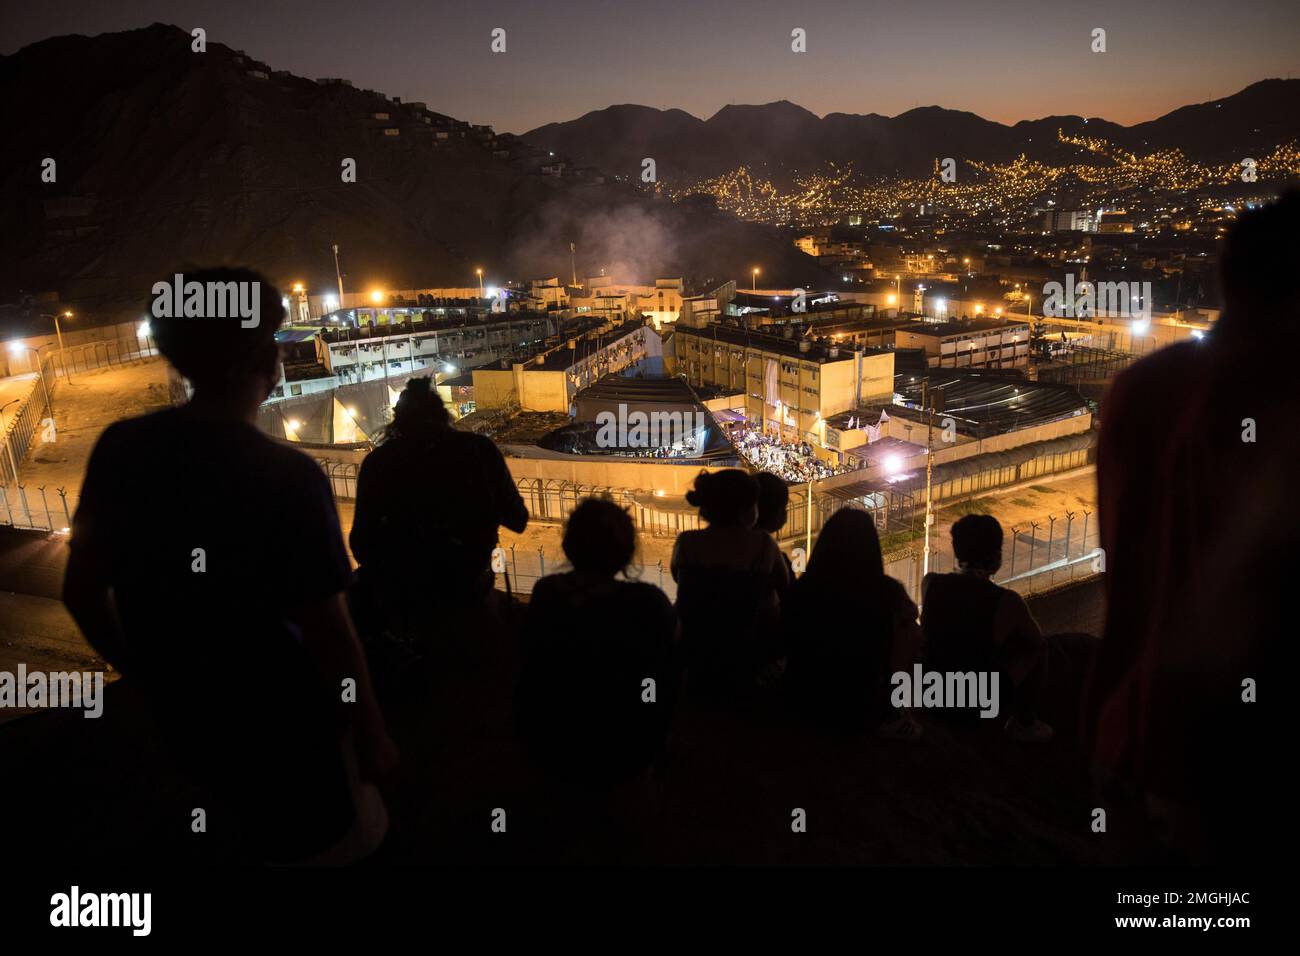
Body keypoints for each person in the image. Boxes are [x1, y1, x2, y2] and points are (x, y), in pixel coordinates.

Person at [63, 267, 396, 864]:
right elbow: (331, 634)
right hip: (285, 728)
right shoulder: (288, 477)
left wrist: (149, 678)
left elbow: (81, 592)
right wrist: (371, 732)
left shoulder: (122, 449)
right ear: (261, 360)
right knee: (334, 841)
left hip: (185, 727)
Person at [1083, 193, 1294, 863]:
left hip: (1139, 735)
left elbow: (1129, 572)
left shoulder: (1143, 388)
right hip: (1241, 764)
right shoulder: (1275, 398)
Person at [349, 376, 528, 660]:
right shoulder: (479, 451)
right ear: (443, 415)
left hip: (404, 600)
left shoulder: (379, 463)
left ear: (397, 421)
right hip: (469, 590)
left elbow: (360, 544)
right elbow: (518, 519)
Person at [516, 498, 678, 786]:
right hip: (630, 744)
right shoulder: (648, 602)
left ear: (568, 547)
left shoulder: (548, 593)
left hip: (556, 741)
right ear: (628, 552)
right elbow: (667, 665)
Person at [784, 508, 922, 739]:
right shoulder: (887, 592)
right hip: (864, 704)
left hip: (804, 700)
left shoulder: (804, 588)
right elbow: (913, 633)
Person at [921, 514, 1052, 742]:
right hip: (976, 701)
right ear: (996, 557)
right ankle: (1025, 722)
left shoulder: (930, 583)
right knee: (1035, 648)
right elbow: (1037, 643)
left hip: (930, 693)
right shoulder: (1007, 601)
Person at [670, 469, 790, 696]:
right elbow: (786, 591)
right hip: (746, 652)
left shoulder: (686, 542)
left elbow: (678, 578)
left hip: (694, 648)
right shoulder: (764, 544)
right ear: (746, 510)